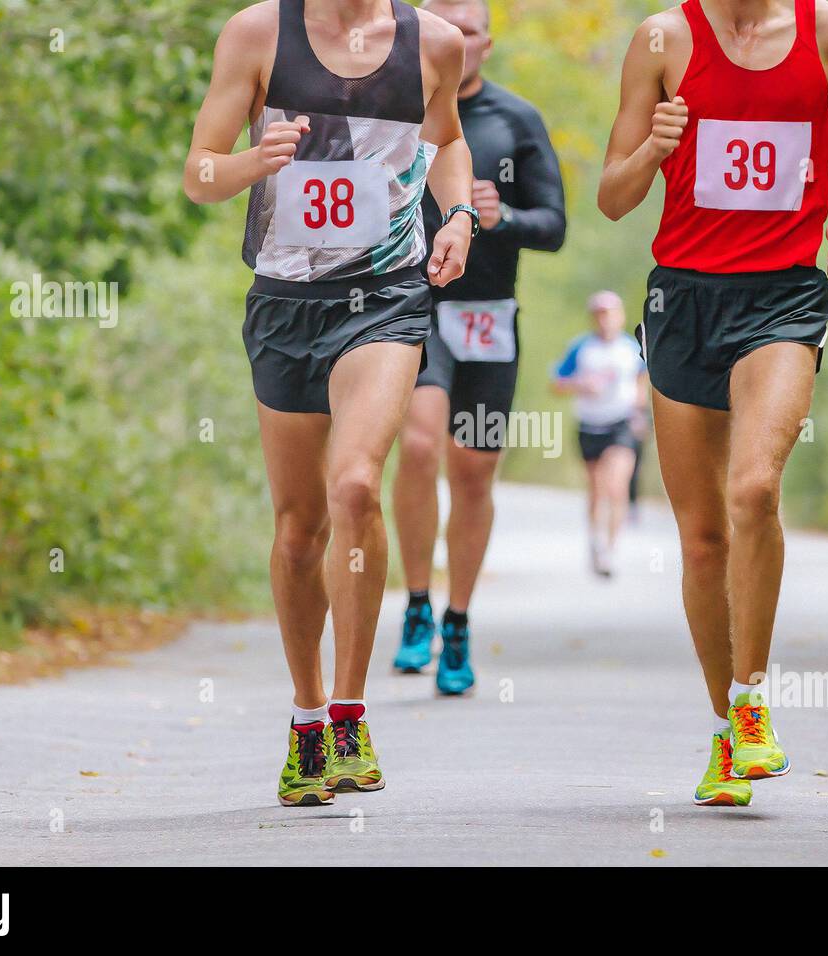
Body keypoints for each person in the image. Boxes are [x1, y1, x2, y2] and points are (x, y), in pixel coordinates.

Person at [598, 0, 828, 806]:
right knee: (701, 541)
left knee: (755, 489)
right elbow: (612, 196)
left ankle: (753, 699)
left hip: (783, 299)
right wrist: (655, 148)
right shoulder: (662, 39)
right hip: (683, 301)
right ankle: (726, 735)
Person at [183, 0, 477, 806]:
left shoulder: (434, 43)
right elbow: (198, 171)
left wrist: (456, 218)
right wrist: (253, 162)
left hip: (385, 297)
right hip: (284, 303)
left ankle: (350, 713)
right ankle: (307, 717)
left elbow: (447, 139)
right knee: (299, 525)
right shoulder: (256, 34)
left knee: (355, 486)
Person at [390, 0, 567, 694]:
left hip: (489, 316)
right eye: (440, 26)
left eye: (464, 30)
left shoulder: (515, 119)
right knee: (419, 445)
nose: (452, 39)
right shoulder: (396, 107)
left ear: (485, 43)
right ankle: (414, 605)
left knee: (473, 468)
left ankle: (457, 620)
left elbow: (554, 226)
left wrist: (505, 217)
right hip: (412, 305)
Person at [551, 291, 648, 578]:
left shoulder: (631, 348)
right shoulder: (581, 348)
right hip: (589, 425)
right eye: (599, 315)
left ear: (620, 317)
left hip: (621, 424)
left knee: (616, 485)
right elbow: (557, 384)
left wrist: (639, 413)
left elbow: (641, 381)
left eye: (609, 314)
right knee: (596, 488)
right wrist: (580, 385)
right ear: (593, 318)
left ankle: (610, 550)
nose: (604, 320)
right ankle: (595, 540)